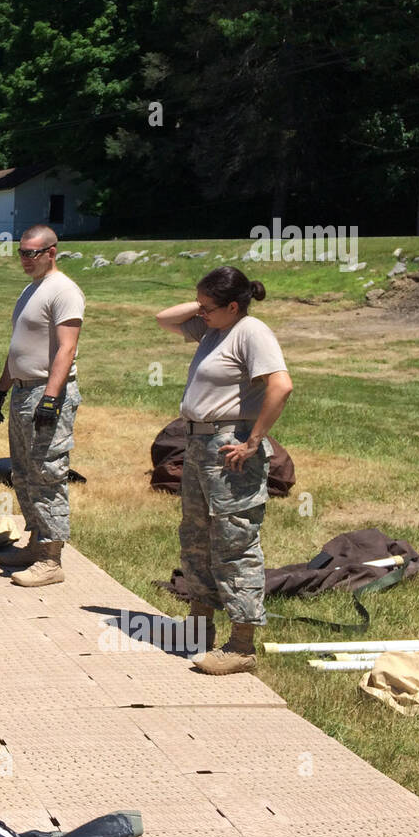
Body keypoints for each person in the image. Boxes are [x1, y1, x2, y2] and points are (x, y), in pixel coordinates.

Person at [155, 266, 293, 675]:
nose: (200, 313)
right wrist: (202, 304)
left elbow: (281, 386)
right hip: (199, 444)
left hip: (229, 446)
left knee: (234, 541)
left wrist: (253, 442)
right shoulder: (214, 329)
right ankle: (199, 629)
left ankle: (242, 644)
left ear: (234, 306)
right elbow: (165, 318)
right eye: (199, 306)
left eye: (208, 307)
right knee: (196, 535)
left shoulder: (252, 332)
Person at [0, 225, 84, 587]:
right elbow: (18, 349)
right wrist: (1, 391)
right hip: (23, 392)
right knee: (24, 474)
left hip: (46, 392)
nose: (25, 259)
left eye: (32, 253)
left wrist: (51, 397)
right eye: (21, 253)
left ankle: (52, 559)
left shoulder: (64, 292)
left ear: (51, 252)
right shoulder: (31, 291)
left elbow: (66, 349)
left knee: (47, 474)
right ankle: (36, 542)